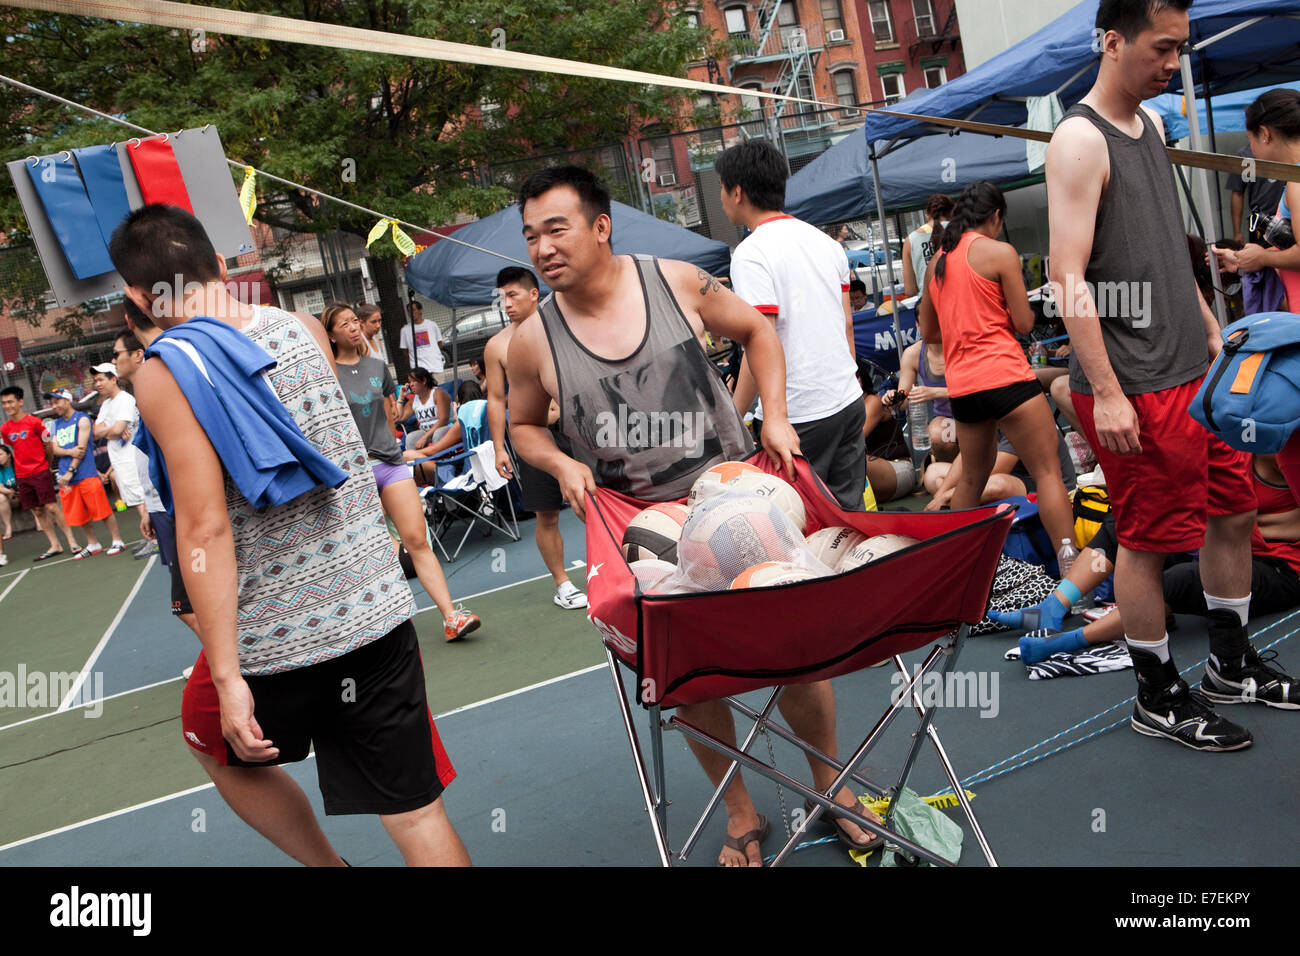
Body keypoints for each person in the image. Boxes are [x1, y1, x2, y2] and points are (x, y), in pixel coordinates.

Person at [506, 164, 883, 866]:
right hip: (640, 520)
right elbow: (522, 426)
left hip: (734, 485)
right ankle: (740, 814)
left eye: (556, 229)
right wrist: (560, 463)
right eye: (530, 236)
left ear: (600, 226)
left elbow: (759, 334)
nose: (542, 247)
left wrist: (775, 417)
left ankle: (833, 789)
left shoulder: (677, 281)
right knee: (683, 671)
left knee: (792, 645)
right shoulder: (531, 341)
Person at [111, 203, 469, 866]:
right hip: (375, 608)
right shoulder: (304, 327)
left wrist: (226, 675)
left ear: (138, 294)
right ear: (219, 264)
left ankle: (329, 866)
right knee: (418, 816)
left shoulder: (163, 371)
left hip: (276, 639)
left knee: (206, 733)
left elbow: (206, 526)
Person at [1046, 0, 1296, 751]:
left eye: (1180, 49)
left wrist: (1207, 321)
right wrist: (1112, 392)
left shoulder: (1152, 127)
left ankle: (1229, 662)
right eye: (1162, 49)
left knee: (1235, 513)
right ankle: (1157, 694)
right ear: (1113, 41)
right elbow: (1067, 277)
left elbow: (1161, 247)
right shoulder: (1078, 142)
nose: (1173, 65)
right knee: (1149, 544)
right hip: (1136, 386)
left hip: (1194, 368)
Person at [995, 455, 1300, 672]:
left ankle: (1069, 641)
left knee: (1180, 580)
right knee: (1130, 524)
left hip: (1280, 566)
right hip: (1217, 541)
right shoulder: (1226, 433)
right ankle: (1052, 608)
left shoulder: (1281, 443)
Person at [917, 181, 1076, 549]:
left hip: (964, 389)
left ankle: (959, 567)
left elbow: (928, 331)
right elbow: (1023, 323)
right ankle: (1072, 573)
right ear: (996, 216)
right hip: (1006, 377)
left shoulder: (936, 263)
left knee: (971, 479)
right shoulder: (1000, 253)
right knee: (1048, 472)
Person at [717, 140, 868, 512]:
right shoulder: (825, 242)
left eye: (721, 187)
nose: (720, 196)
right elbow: (845, 323)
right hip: (846, 400)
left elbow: (760, 342)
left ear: (737, 192)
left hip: (800, 414)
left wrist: (734, 413)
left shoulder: (752, 253)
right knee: (849, 521)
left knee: (790, 528)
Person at [322, 301, 481, 642]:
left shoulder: (378, 367)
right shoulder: (326, 373)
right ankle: (364, 630)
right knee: (365, 551)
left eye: (354, 321)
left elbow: (389, 417)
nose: (353, 327)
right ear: (331, 334)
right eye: (344, 324)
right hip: (352, 473)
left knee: (417, 541)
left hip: (390, 463)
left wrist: (396, 438)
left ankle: (451, 617)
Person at [484, 265, 587, 609]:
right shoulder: (497, 345)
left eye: (513, 295)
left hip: (578, 426)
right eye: (502, 298)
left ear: (533, 294)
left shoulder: (564, 326)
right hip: (535, 435)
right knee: (548, 514)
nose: (507, 304)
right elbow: (496, 400)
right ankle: (563, 584)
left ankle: (618, 567)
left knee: (602, 500)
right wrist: (499, 447)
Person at [112, 320, 199, 645]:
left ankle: (230, 663)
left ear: (137, 355)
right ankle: (221, 661)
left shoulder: (159, 391)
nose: (114, 360)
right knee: (188, 601)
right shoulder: (139, 400)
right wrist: (148, 507)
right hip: (161, 508)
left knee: (188, 602)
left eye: (117, 353)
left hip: (179, 507)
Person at [1214, 89, 1300, 309]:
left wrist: (1263, 259)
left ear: (1264, 133)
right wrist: (1245, 258)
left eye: (1250, 138)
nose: (1250, 147)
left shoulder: (1296, 182)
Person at [1, 386, 80, 560]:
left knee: (51, 506)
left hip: (40, 471)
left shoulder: (35, 423)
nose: (7, 406)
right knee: (37, 510)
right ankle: (55, 545)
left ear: (20, 402)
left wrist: (46, 464)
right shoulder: (5, 428)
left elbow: (48, 445)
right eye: (4, 403)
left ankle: (72, 541)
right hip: (22, 476)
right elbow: (14, 448)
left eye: (10, 402)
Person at [47, 389, 127, 558]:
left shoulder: (82, 419)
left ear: (67, 401)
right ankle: (93, 544)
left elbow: (81, 449)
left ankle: (117, 540)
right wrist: (69, 453)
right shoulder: (55, 424)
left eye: (57, 401)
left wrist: (70, 470)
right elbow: (54, 449)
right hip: (67, 479)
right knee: (79, 514)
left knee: (102, 510)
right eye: (52, 403)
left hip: (85, 473)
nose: (54, 406)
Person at [91, 362, 152, 557]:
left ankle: (155, 538)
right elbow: (95, 432)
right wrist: (112, 431)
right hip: (118, 458)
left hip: (131, 456)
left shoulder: (125, 399)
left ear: (113, 378)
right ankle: (149, 535)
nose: (97, 384)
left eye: (101, 379)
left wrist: (109, 430)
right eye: (95, 381)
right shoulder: (106, 404)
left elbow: (117, 430)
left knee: (141, 497)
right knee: (134, 499)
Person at [883, 340, 957, 462]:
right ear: (918, 324)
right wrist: (893, 398)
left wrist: (934, 392)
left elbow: (976, 390)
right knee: (937, 435)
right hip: (947, 420)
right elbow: (905, 400)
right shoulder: (913, 353)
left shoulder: (964, 343)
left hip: (977, 417)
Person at [902, 193, 954, 299]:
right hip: (958, 302)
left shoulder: (910, 240)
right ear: (951, 214)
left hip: (928, 305)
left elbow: (910, 290)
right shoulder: (961, 230)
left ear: (927, 216)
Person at [397, 367, 451, 448]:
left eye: (414, 381)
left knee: (437, 434)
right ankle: (414, 459)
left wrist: (425, 437)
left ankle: (441, 459)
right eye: (410, 382)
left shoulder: (438, 393)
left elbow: (443, 420)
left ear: (424, 381)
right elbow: (400, 417)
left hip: (444, 429)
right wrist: (401, 397)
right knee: (410, 438)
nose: (411, 384)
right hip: (425, 432)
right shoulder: (413, 400)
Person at [399, 300, 446, 378]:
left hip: (435, 367)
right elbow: (405, 351)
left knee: (439, 389)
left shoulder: (432, 325)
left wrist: (432, 353)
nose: (411, 313)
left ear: (420, 310)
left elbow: (440, 343)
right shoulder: (405, 330)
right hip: (418, 371)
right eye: (409, 311)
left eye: (413, 310)